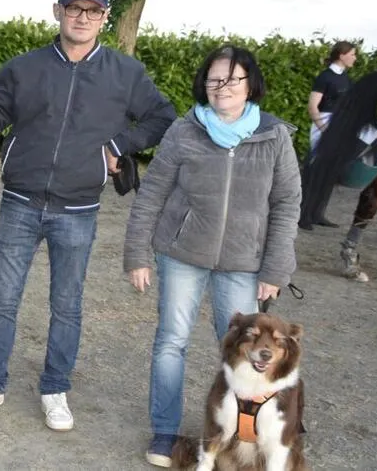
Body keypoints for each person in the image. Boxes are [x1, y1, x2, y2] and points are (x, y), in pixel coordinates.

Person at [0, 0, 176, 431]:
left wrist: (118, 144)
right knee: (3, 301)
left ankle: (55, 389)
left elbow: (162, 117)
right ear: (58, 11)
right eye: (75, 8)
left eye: (93, 11)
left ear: (104, 19)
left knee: (67, 305)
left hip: (78, 211)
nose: (82, 18)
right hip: (19, 202)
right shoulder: (24, 67)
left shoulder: (125, 73)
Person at [122, 45, 301, 467]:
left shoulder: (274, 136)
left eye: (234, 79)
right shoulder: (184, 132)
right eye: (215, 79)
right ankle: (165, 432)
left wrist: (275, 267)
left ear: (250, 84)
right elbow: (152, 193)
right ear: (204, 84)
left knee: (249, 353)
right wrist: (137, 254)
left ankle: (247, 433)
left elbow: (288, 203)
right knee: (171, 342)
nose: (223, 87)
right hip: (182, 255)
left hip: (244, 263)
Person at [301, 40, 357, 229]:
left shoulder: (347, 78)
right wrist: (324, 129)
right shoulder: (325, 77)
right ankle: (304, 215)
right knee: (316, 169)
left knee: (330, 171)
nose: (355, 58)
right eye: (352, 54)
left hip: (339, 124)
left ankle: (318, 213)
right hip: (323, 122)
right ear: (342, 55)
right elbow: (312, 106)